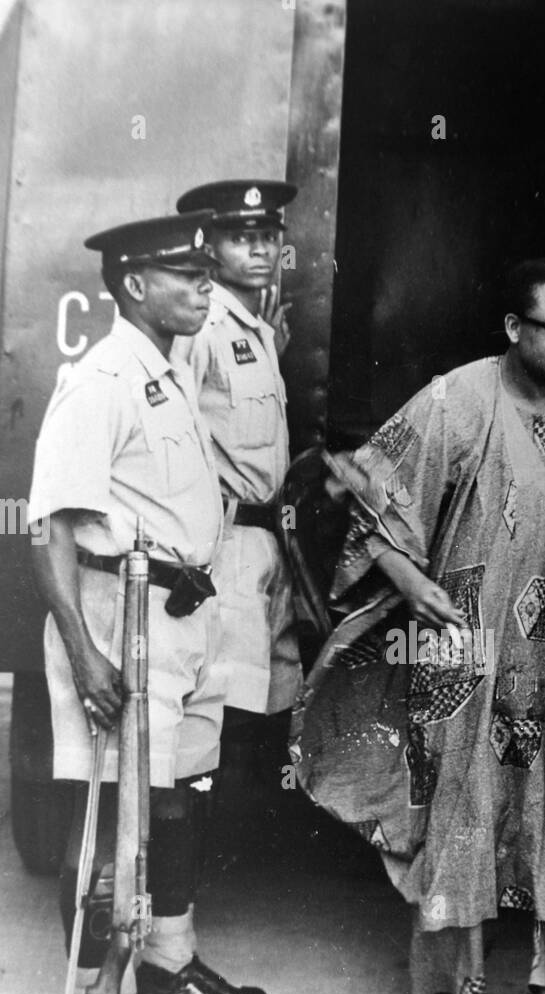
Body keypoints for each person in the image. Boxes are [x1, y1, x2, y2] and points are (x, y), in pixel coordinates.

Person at [295, 258, 545, 994]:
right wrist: (413, 586)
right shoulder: (459, 399)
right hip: (471, 651)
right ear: (514, 329)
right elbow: (364, 485)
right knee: (462, 812)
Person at [29, 213, 268, 994]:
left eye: (210, 270)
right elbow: (46, 528)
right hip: (114, 615)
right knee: (104, 829)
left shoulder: (165, 370)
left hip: (175, 613)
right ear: (133, 284)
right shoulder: (99, 379)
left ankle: (155, 977)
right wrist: (87, 654)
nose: (207, 285)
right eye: (186, 273)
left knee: (162, 803)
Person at [172, 181, 301, 796]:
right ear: (211, 246)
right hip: (221, 537)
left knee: (260, 698)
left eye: (268, 236)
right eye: (240, 237)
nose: (259, 249)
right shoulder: (202, 324)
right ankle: (190, 877)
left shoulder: (250, 327)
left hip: (262, 537)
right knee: (215, 708)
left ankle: (231, 863)